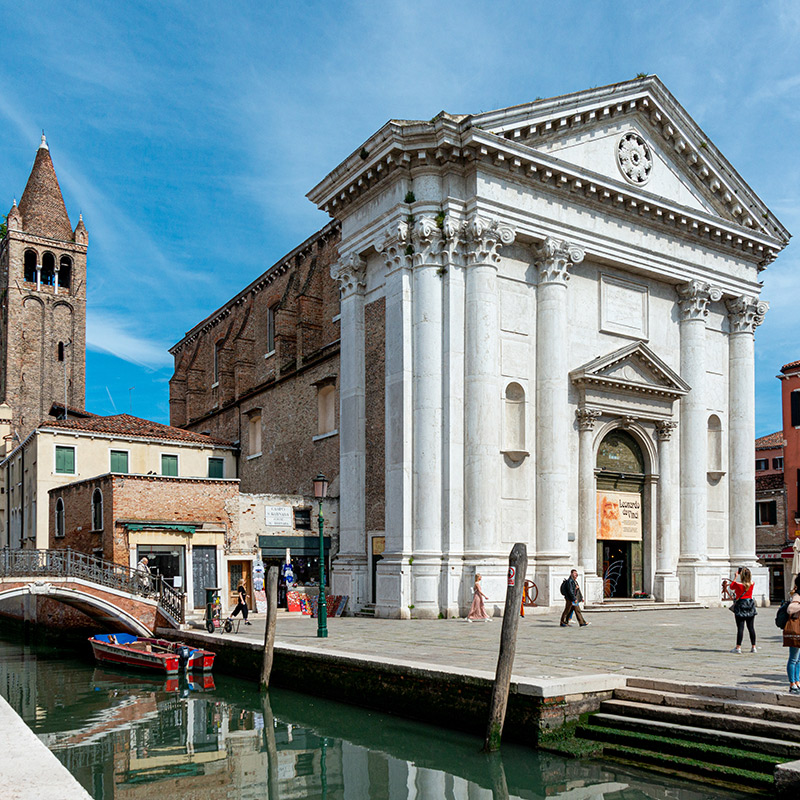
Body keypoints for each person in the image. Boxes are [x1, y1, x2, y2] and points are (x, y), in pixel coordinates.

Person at [729, 566, 758, 654]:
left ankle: (738, 647)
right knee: (751, 628)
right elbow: (748, 583)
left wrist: (735, 576)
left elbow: (731, 587)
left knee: (740, 628)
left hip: (740, 605)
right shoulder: (752, 584)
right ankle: (753, 647)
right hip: (750, 605)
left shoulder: (738, 585)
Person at [784, 573, 800, 694]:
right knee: (794, 658)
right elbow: (790, 609)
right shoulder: (797, 596)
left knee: (799, 659)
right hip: (796, 629)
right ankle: (792, 683)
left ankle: (797, 681)